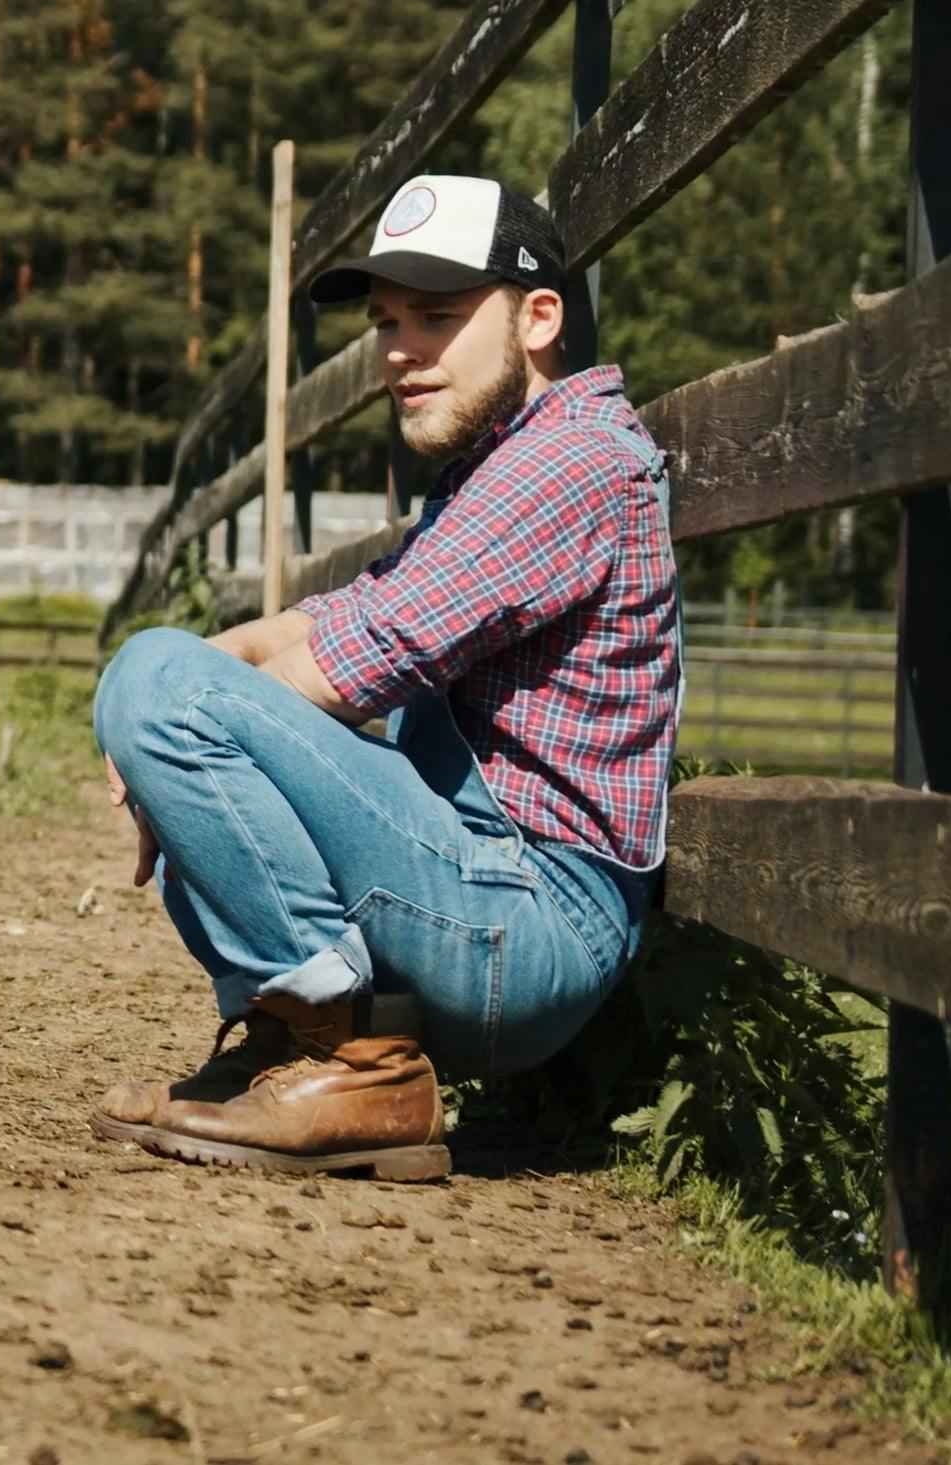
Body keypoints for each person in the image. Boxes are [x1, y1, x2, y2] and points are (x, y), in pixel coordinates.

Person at [90, 174, 681, 1181]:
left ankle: (359, 1062)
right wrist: (174, 729)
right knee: (163, 679)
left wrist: (169, 725)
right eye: (386, 322)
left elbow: (354, 661)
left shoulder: (569, 465)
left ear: (539, 318)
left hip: (530, 921)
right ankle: (302, 1042)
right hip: (478, 893)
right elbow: (338, 614)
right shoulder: (502, 464)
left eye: (437, 316)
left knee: (155, 678)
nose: (400, 350)